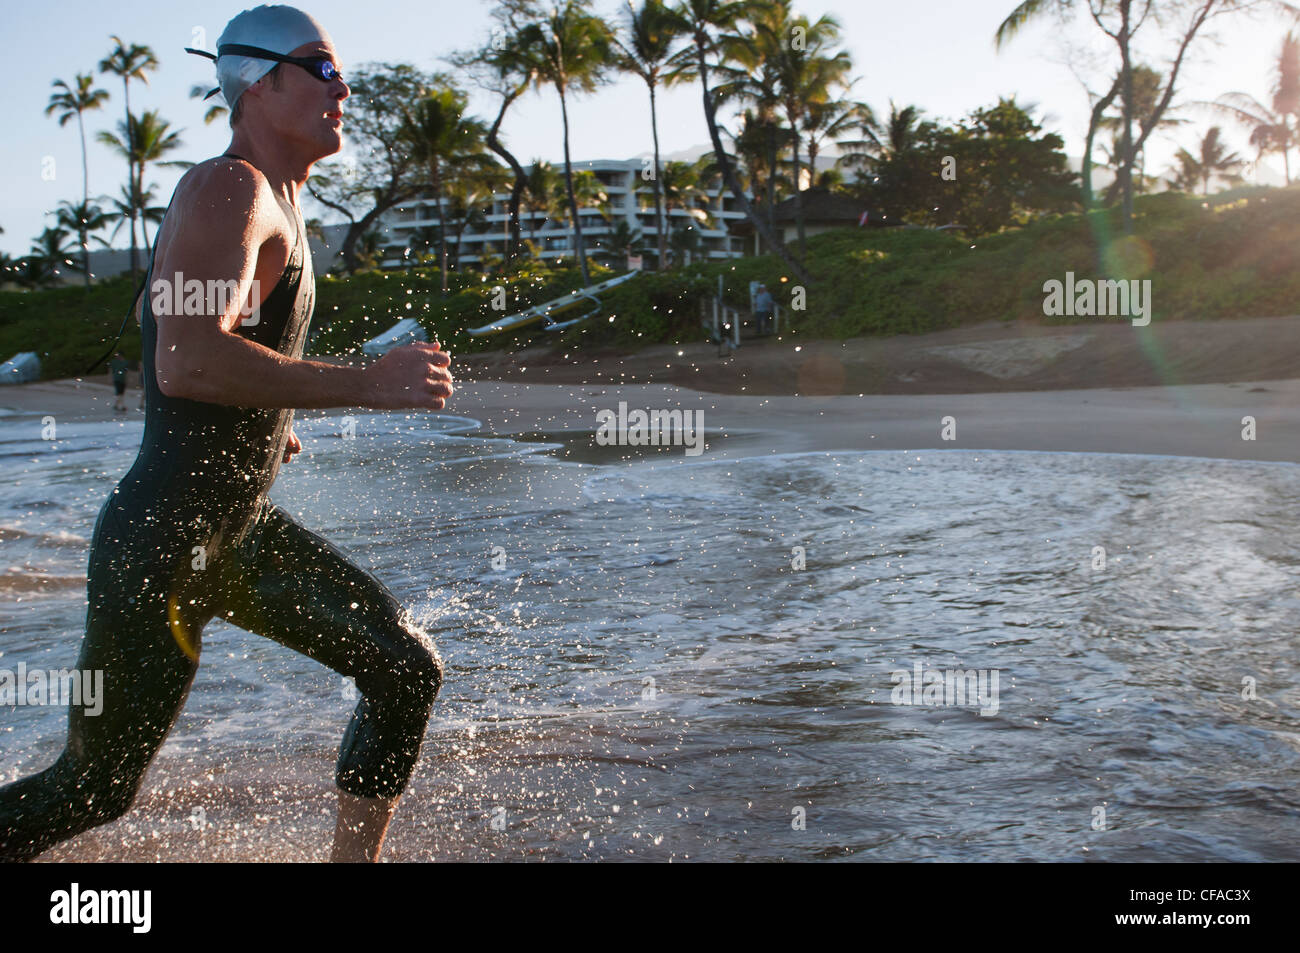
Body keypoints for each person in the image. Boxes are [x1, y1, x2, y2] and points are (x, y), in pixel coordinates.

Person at [0, 5, 453, 863]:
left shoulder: (273, 202)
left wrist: (262, 411)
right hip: (164, 542)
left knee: (403, 667)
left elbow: (162, 315)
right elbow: (185, 361)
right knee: (93, 789)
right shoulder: (230, 185)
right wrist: (368, 384)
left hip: (232, 535)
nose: (343, 88)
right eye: (322, 69)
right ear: (259, 79)